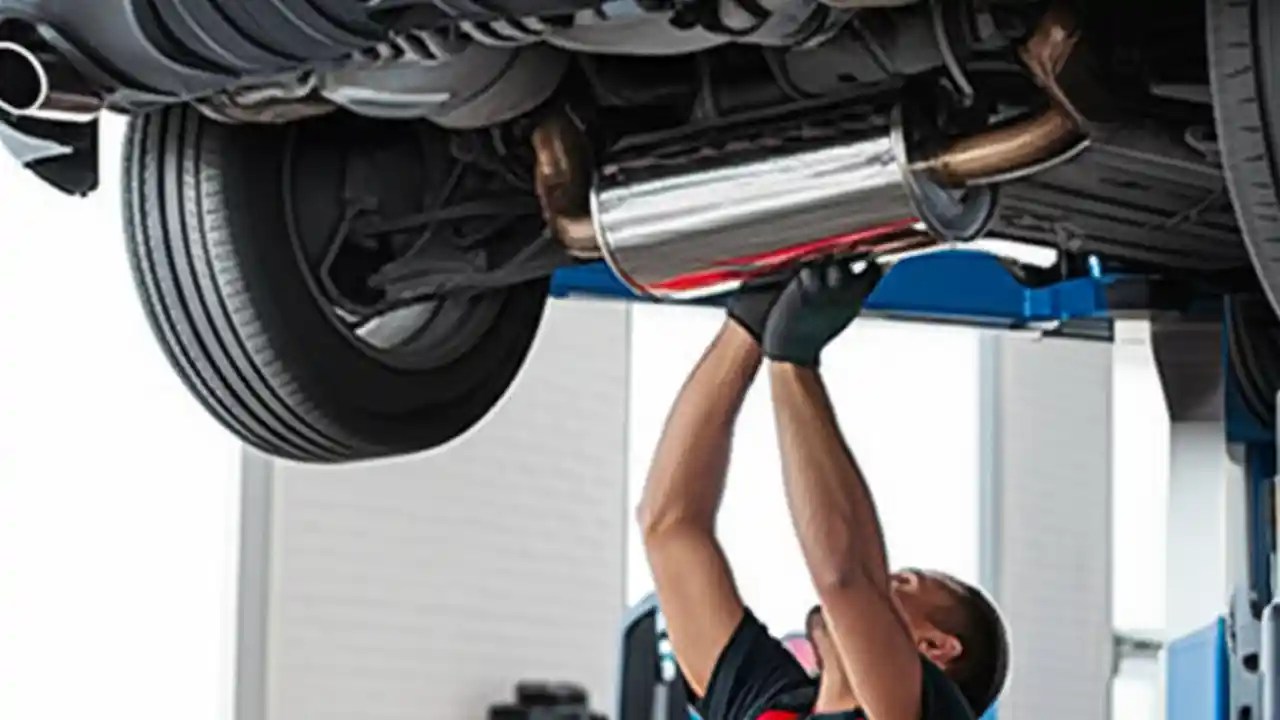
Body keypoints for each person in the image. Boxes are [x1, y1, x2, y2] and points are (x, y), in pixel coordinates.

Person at [637, 259, 1010, 720]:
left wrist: (792, 361)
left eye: (901, 583)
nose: (882, 578)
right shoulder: (777, 703)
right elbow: (669, 524)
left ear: (934, 647)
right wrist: (746, 329)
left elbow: (847, 577)